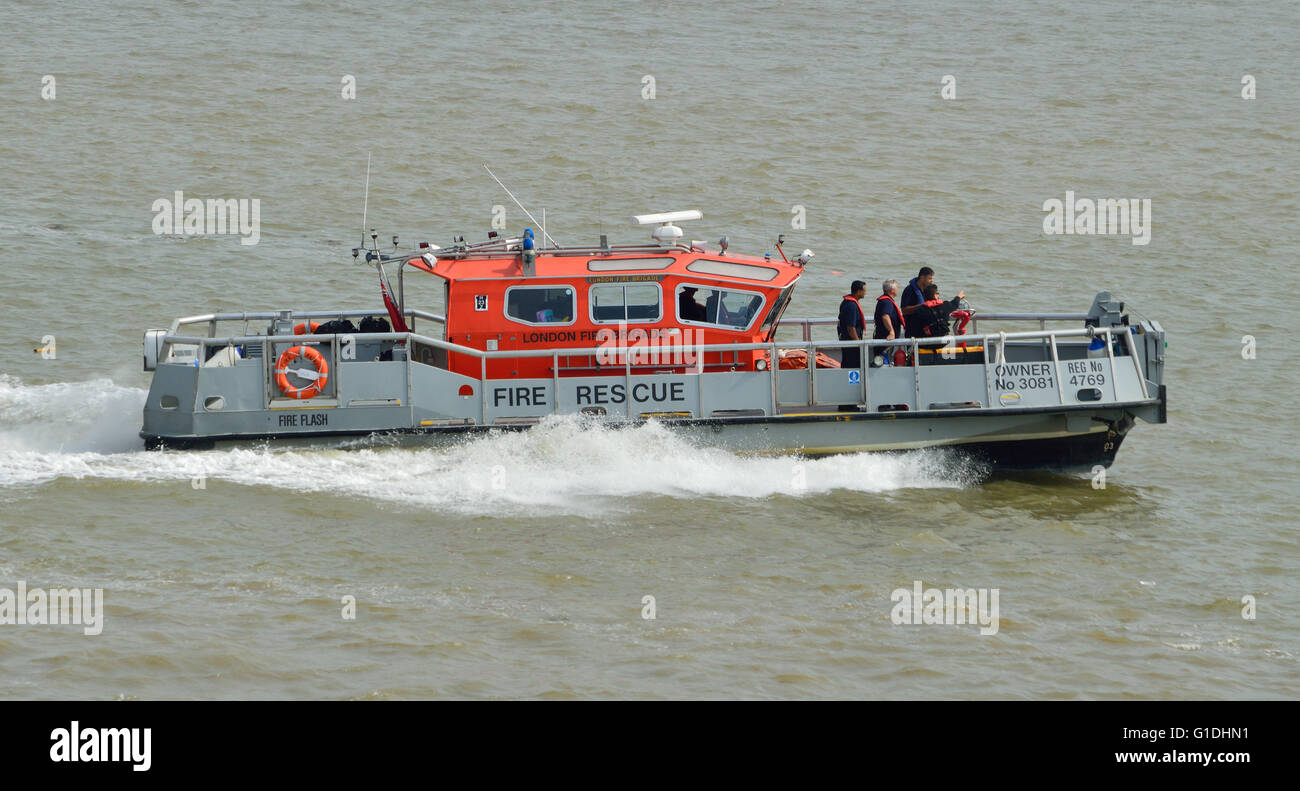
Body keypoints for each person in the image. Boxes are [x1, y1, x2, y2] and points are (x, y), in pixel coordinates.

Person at [837, 280, 867, 369]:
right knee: (852, 366)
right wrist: (858, 344)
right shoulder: (851, 306)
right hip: (851, 343)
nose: (865, 293)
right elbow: (851, 328)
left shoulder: (846, 302)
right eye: (864, 290)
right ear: (858, 291)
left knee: (847, 364)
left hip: (847, 341)